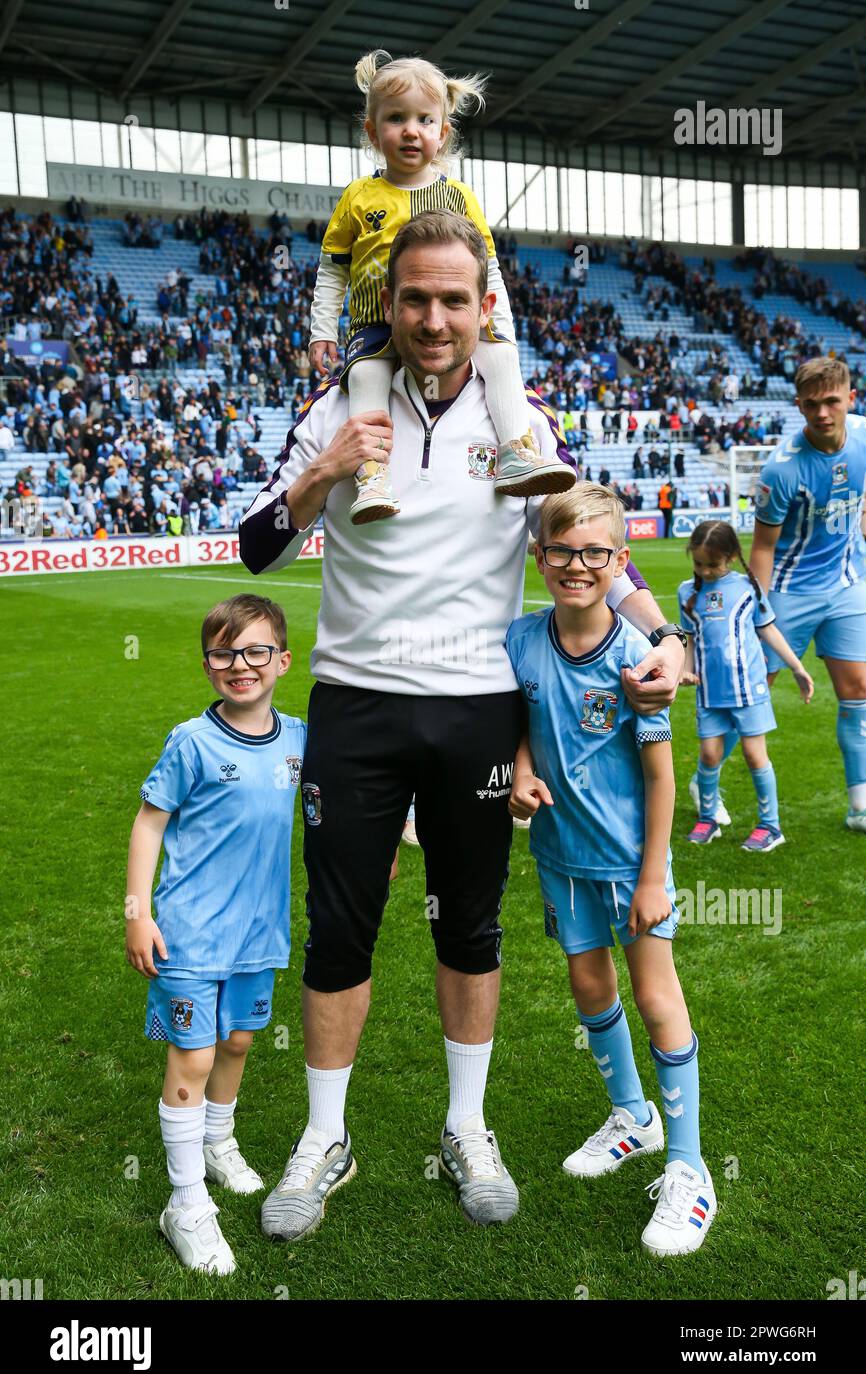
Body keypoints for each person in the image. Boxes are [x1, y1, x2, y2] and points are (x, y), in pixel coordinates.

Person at [238, 209, 687, 1242]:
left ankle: (465, 1128)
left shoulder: (518, 417)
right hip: (354, 700)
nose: (433, 320)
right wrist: (324, 469)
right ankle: (323, 1139)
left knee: (468, 924)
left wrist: (667, 638)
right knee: (340, 924)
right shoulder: (335, 410)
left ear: (483, 307)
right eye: (413, 299)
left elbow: (590, 546)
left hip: (479, 708)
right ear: (385, 305)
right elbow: (257, 544)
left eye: (452, 300)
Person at [505, 484, 714, 1257]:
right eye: (562, 551)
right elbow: (523, 725)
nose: (577, 565)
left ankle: (691, 1166)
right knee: (589, 987)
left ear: (620, 561)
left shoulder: (639, 658)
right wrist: (523, 774)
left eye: (596, 553)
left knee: (657, 998)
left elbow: (662, 777)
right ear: (539, 556)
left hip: (631, 864)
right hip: (559, 856)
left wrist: (655, 876)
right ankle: (635, 1114)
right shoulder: (521, 641)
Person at [308, 49, 573, 524]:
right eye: (396, 118)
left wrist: (499, 328)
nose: (411, 130)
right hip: (374, 322)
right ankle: (372, 476)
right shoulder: (358, 197)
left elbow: (487, 266)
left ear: (442, 132)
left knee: (503, 358)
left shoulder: (458, 195)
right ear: (372, 132)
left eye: (425, 120)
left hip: (449, 325)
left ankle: (517, 453)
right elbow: (333, 270)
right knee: (367, 376)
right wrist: (321, 331)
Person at [124, 595, 306, 1274]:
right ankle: (186, 1202)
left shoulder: (300, 738)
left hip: (259, 932)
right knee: (192, 1060)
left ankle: (218, 1141)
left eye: (256, 651)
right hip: (189, 934)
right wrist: (137, 912)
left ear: (282, 661)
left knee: (237, 1042)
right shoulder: (191, 741)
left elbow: (341, 797)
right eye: (225, 653)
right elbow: (149, 824)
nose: (241, 665)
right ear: (208, 665)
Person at [751, 357, 866, 832]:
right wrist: (754, 609)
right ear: (799, 405)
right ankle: (707, 779)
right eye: (813, 404)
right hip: (788, 591)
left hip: (846, 584)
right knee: (750, 692)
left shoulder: (863, 436)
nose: (823, 413)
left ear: (850, 399)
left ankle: (860, 805)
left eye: (832, 401)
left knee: (858, 690)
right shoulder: (781, 469)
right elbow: (762, 547)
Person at [678, 522, 814, 851]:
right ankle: (708, 819)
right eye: (699, 564)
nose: (706, 571)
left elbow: (768, 631)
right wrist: (686, 669)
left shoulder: (746, 588)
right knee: (709, 755)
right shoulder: (687, 592)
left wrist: (796, 667)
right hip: (709, 692)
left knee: (755, 756)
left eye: (714, 564)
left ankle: (770, 825)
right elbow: (690, 641)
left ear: (732, 556)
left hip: (748, 691)